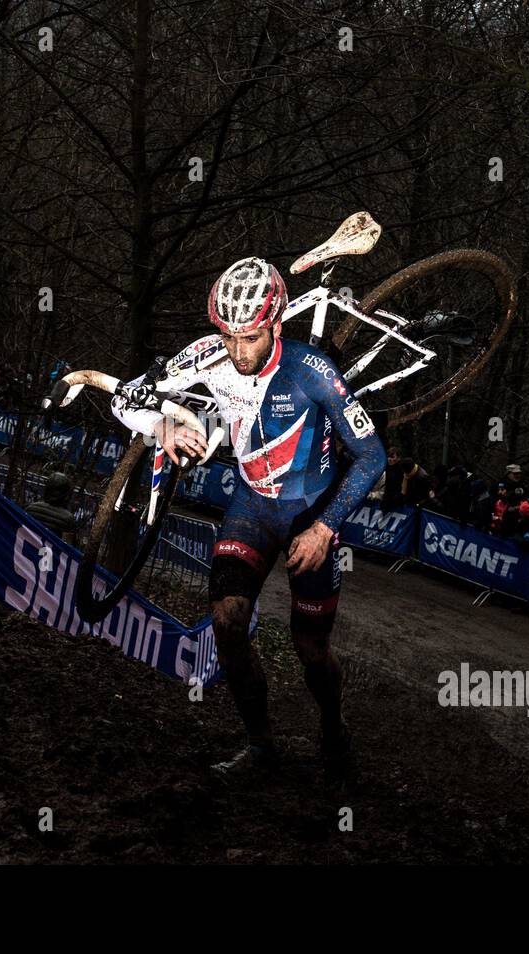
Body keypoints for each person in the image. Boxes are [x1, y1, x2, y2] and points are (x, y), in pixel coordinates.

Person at [108, 256, 386, 784]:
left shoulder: (312, 371)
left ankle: (333, 728)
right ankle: (260, 748)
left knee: (311, 650)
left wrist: (326, 529)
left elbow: (373, 457)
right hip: (253, 508)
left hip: (311, 515)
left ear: (275, 325)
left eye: (251, 338)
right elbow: (127, 396)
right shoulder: (209, 355)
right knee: (228, 625)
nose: (238, 352)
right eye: (229, 336)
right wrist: (160, 423)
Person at [25, 473, 79, 548]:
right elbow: (68, 548)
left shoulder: (31, 508)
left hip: (29, 551)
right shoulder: (68, 519)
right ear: (65, 494)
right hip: (49, 557)